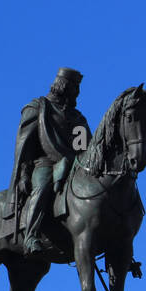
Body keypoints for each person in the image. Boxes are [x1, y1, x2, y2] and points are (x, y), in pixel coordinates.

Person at [9, 67, 91, 255]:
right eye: (74, 88)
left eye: (77, 88)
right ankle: (31, 236)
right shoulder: (38, 107)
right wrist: (24, 174)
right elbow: (25, 146)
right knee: (43, 187)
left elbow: (86, 148)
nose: (77, 92)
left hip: (74, 166)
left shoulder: (77, 118)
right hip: (45, 163)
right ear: (64, 87)